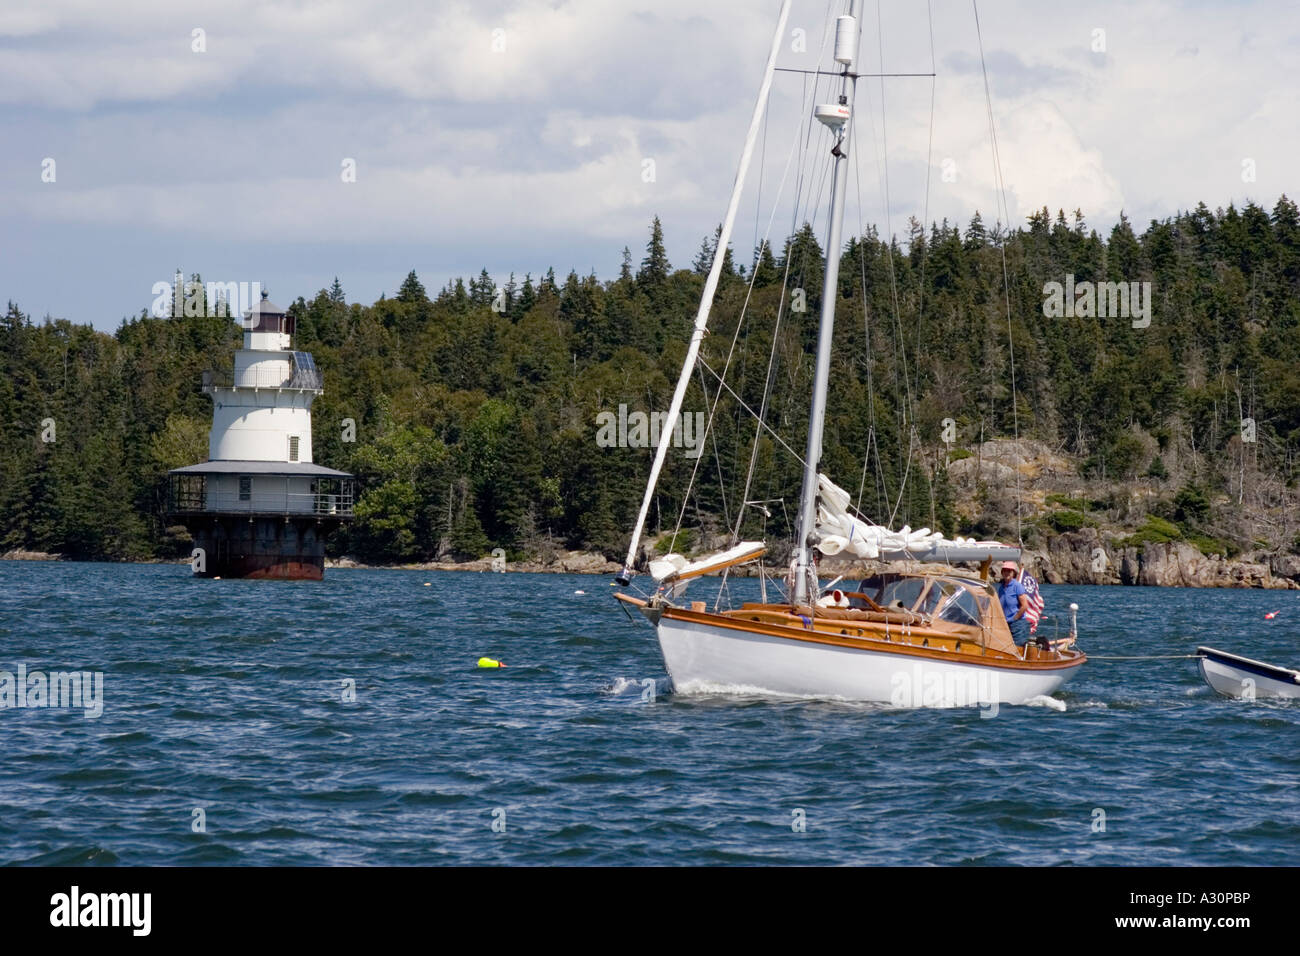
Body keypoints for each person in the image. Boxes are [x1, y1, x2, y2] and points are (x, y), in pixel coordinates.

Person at [997, 560, 1031, 645]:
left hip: (1017, 624)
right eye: (1005, 570)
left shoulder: (1017, 586)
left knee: (1017, 647)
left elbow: (1024, 606)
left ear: (1013, 573)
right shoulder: (1001, 587)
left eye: (1009, 571)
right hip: (1005, 623)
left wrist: (1015, 618)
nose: (1007, 573)